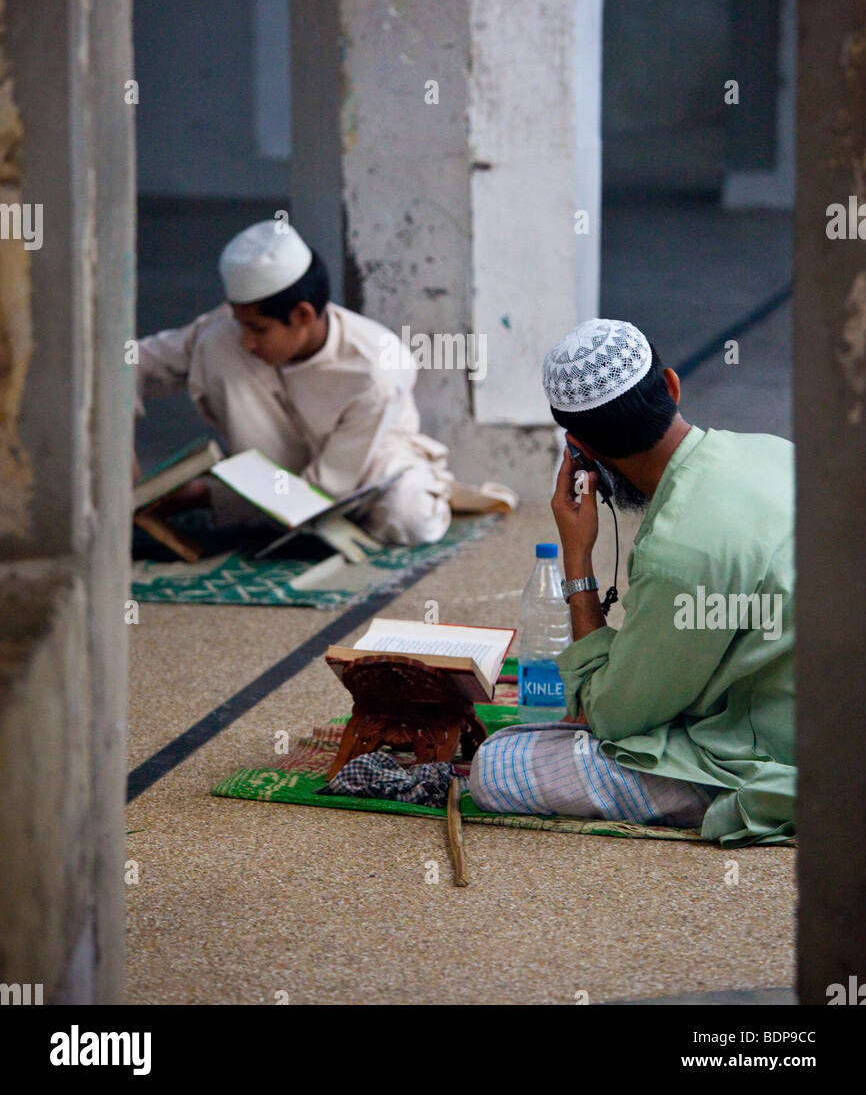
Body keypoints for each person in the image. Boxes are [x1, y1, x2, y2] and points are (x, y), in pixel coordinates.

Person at [469, 317, 795, 847]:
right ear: (670, 385)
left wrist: (578, 559)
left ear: (578, 447)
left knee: (498, 766)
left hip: (782, 758)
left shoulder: (677, 553)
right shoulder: (773, 450)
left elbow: (611, 719)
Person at [133, 216, 455, 546]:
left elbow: (327, 486)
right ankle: (267, 511)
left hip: (366, 466)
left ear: (302, 316)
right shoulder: (231, 328)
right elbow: (133, 360)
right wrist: (118, 449)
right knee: (216, 342)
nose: (247, 341)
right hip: (278, 473)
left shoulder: (375, 368)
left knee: (408, 517)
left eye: (258, 329)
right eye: (241, 323)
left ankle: (275, 513)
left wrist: (206, 496)